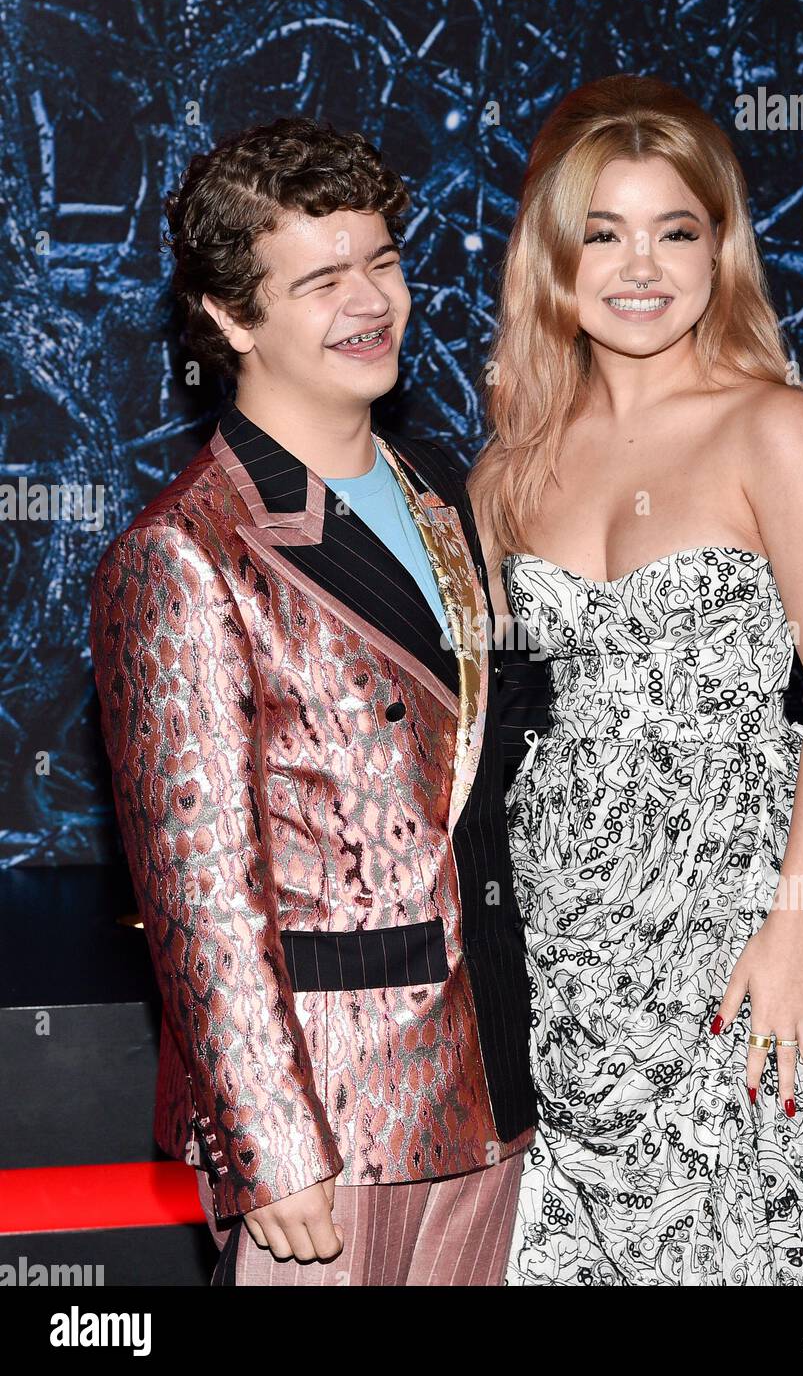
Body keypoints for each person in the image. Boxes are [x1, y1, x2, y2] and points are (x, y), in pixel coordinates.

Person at [467, 74, 803, 1286]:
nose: (639, 267)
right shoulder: (509, 467)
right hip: (568, 923)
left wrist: (795, 929)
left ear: (719, 250)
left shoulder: (772, 428)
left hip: (746, 894)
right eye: (603, 233)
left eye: (674, 230)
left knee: (776, 1231)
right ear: (554, 255)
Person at [89, 115, 535, 1286]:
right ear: (231, 318)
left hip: (490, 1073)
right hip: (332, 1124)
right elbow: (199, 897)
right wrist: (267, 1143)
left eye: (381, 262)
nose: (369, 301)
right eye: (321, 280)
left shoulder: (440, 494)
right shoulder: (184, 553)